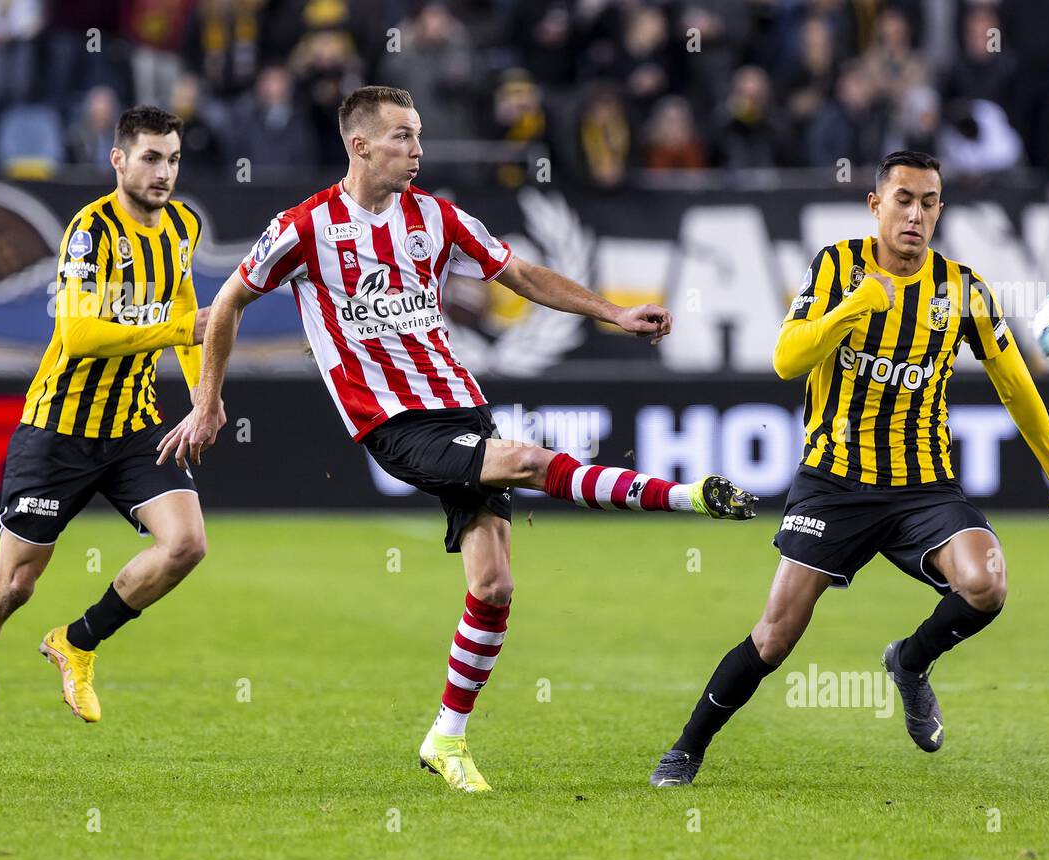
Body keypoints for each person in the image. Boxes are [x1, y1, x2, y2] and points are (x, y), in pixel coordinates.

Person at [156, 85, 758, 793]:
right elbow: (227, 302)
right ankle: (686, 497)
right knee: (526, 459)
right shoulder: (305, 226)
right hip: (393, 424)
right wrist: (207, 402)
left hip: (462, 409)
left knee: (495, 586)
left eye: (418, 136)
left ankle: (446, 738)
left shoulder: (435, 218)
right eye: (403, 137)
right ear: (360, 146)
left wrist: (611, 313)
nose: (417, 149)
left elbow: (521, 273)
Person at [649, 150, 1049, 787]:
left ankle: (909, 662)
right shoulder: (835, 267)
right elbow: (786, 359)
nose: (915, 214)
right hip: (835, 483)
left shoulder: (962, 289)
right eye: (903, 199)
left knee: (987, 583)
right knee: (774, 637)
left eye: (929, 202)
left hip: (923, 486)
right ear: (875, 205)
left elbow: (1014, 381)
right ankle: (687, 748)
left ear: (940, 211)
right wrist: (853, 306)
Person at [0, 106, 211, 760]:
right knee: (12, 588)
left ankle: (78, 641)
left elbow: (191, 313)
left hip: (135, 426)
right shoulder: (92, 230)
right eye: (150, 158)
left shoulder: (184, 226)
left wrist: (201, 398)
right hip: (58, 429)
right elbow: (80, 334)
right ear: (118, 160)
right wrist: (175, 333)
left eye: (172, 159)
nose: (164, 172)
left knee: (187, 544)